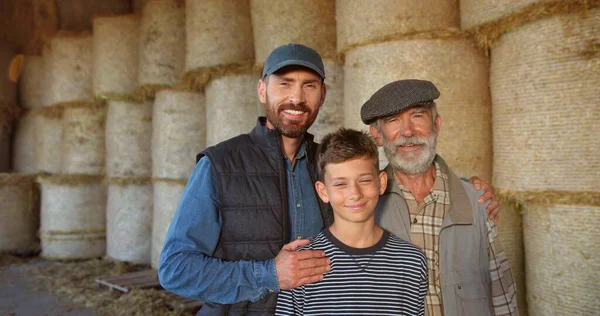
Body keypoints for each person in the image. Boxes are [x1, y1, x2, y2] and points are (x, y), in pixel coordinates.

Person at [158, 44, 499, 315]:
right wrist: (269, 275)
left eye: (309, 86)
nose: (296, 97)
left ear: (322, 95)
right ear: (262, 90)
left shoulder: (329, 164)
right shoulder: (221, 164)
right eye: (284, 84)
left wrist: (465, 189)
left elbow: (391, 175)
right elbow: (175, 269)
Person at [362, 79, 519, 316]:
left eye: (418, 116)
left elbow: (502, 295)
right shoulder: (363, 206)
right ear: (378, 135)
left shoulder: (475, 202)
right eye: (393, 120)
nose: (407, 131)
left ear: (436, 124)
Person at [275, 128, 428, 315]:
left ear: (381, 183)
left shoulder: (411, 261)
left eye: (364, 180)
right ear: (323, 191)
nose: (355, 194)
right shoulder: (300, 263)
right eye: (340, 184)